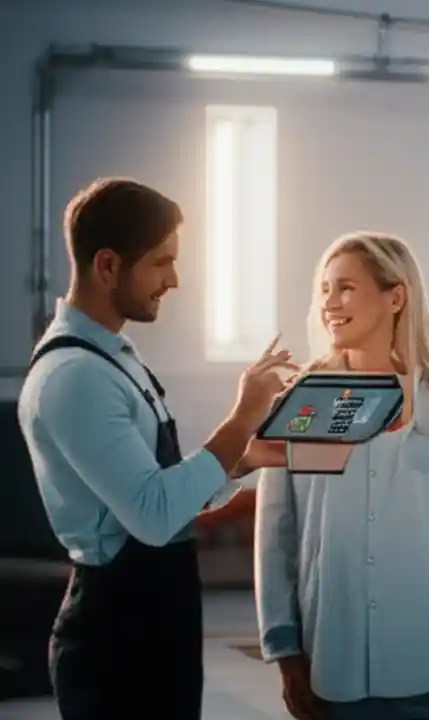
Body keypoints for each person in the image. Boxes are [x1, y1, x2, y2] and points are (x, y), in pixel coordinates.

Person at [17, 176, 294, 719]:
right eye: (161, 263)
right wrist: (242, 416)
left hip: (153, 622)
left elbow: (165, 485)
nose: (174, 279)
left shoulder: (113, 358)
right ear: (108, 266)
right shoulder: (75, 377)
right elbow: (154, 514)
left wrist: (243, 458)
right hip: (116, 638)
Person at [254, 231, 429, 720]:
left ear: (395, 296)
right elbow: (276, 535)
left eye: (346, 288)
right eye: (324, 290)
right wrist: (284, 649)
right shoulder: (304, 397)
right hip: (331, 665)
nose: (330, 303)